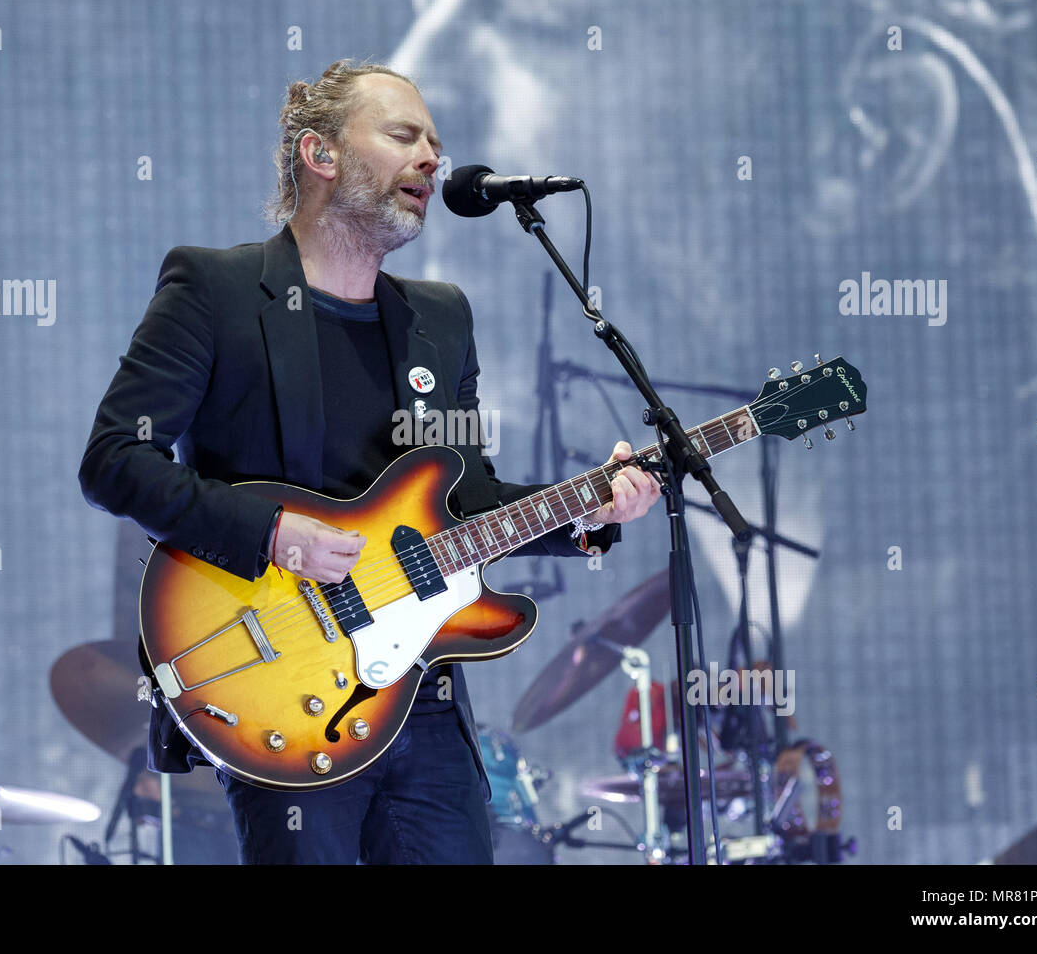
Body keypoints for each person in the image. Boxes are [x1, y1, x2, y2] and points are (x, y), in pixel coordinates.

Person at [78, 58, 661, 864]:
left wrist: (588, 512)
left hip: (422, 699)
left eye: (435, 141)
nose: (432, 157)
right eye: (403, 135)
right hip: (283, 677)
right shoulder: (214, 290)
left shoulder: (440, 318)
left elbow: (467, 503)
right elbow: (113, 459)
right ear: (321, 155)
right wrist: (276, 532)